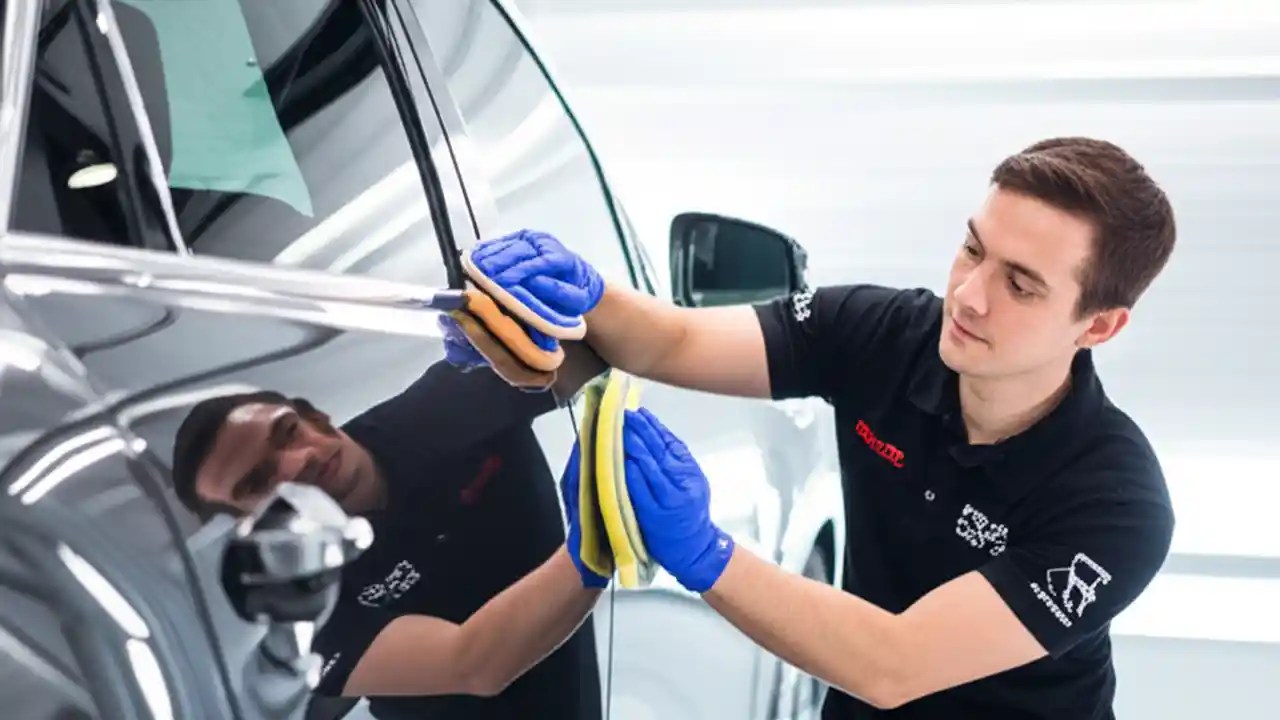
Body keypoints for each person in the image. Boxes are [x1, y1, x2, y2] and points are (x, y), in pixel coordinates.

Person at [448, 137, 1179, 718]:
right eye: (972, 248)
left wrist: (704, 550)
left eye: (1020, 285)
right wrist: (573, 295)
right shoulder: (885, 334)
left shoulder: (1116, 504)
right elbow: (672, 342)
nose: (969, 295)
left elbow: (896, 664)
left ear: (1100, 325)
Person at [170, 357, 611, 719]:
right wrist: (604, 533)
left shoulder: (441, 410)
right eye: (259, 483)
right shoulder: (304, 608)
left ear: (315, 417)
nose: (297, 462)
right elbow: (475, 664)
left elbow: (601, 348)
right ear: (250, 525)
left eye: (288, 432)